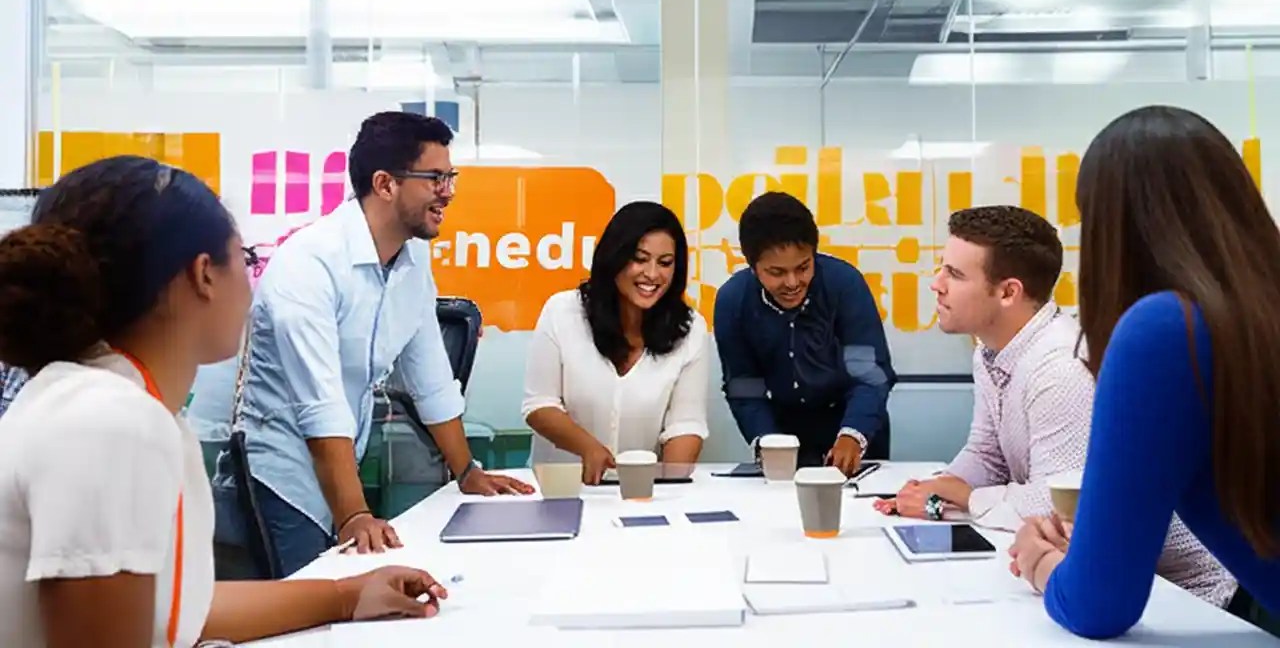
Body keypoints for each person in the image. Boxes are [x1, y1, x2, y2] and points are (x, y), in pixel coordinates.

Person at [0, 156, 451, 648]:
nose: (254, 280)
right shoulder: (108, 421)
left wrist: (349, 595)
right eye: (247, 258)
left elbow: (178, 610)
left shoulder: (114, 402)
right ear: (203, 275)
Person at [212, 111, 532, 578]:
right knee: (311, 608)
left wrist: (468, 473)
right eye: (435, 178)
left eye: (451, 177)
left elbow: (431, 378)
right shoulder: (309, 264)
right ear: (385, 184)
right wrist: (354, 514)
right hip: (281, 477)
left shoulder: (411, 259)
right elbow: (319, 405)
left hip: (342, 466)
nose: (449, 192)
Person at [1009, 105, 1280, 639]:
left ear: (1112, 231)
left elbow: (1098, 606)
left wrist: (1041, 563)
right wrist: (1091, 556)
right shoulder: (1247, 322)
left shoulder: (1166, 331)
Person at [876, 205, 1234, 606]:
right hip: (1108, 572)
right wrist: (928, 492)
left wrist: (963, 497)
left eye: (954, 274)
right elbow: (986, 453)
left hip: (1181, 593)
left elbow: (1058, 504)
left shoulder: (1060, 366)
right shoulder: (990, 351)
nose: (935, 284)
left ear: (1009, 292)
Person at [523, 201, 709, 484]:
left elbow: (686, 424)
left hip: (638, 490)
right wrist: (589, 448)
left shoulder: (691, 328)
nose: (652, 274)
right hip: (560, 489)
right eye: (639, 258)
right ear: (615, 257)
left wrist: (669, 483)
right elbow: (539, 405)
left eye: (665, 263)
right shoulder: (562, 312)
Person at [714, 191, 895, 475]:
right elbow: (744, 387)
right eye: (776, 272)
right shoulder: (732, 301)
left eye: (803, 267)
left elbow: (869, 373)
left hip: (854, 427)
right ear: (753, 267)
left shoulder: (844, 284)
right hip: (784, 435)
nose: (793, 282)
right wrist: (766, 442)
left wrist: (853, 434)